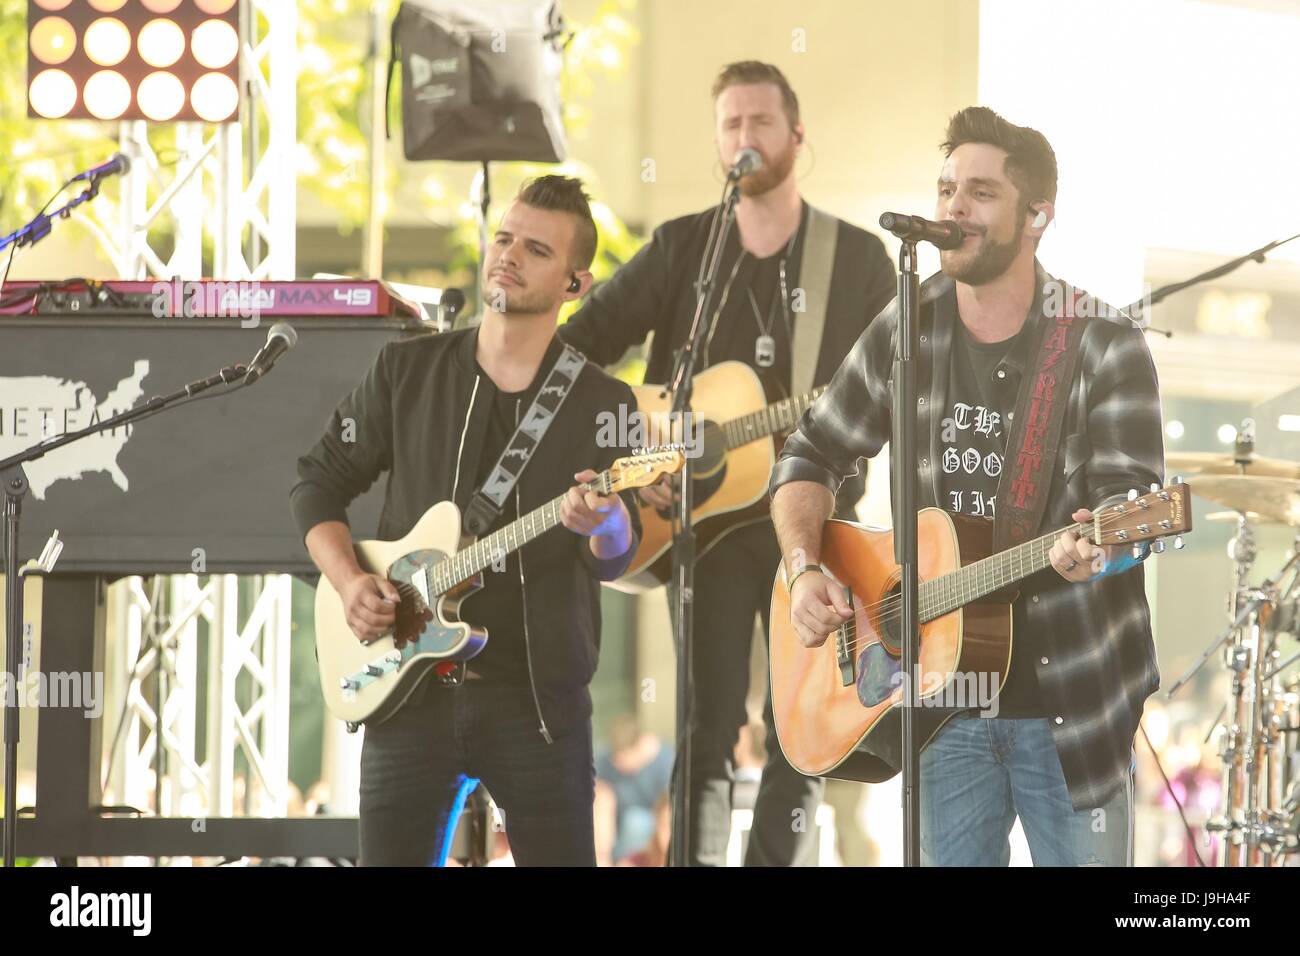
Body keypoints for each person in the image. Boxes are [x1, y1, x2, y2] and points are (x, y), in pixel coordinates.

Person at [769, 106, 1164, 866]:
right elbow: (808, 454)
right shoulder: (905, 328)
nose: (953, 207)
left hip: (1070, 708)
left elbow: (1130, 507)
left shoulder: (1104, 343)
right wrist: (803, 567)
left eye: (981, 192)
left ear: (1039, 214)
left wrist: (1102, 549)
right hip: (938, 706)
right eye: (948, 188)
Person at [560, 60, 896, 866]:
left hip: (815, 530)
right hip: (700, 527)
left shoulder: (856, 262)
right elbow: (577, 350)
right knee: (705, 727)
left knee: (800, 725)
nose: (744, 138)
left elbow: (893, 397)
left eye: (760, 122)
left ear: (797, 134)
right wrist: (635, 447)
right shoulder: (683, 249)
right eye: (731, 125)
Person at [291, 176, 642, 866]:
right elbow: (317, 483)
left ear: (575, 283)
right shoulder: (406, 370)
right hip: (405, 697)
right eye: (504, 237)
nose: (507, 255)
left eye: (535, 249)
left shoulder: (605, 401)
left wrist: (603, 522)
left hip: (538, 706)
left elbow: (618, 556)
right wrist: (348, 581)